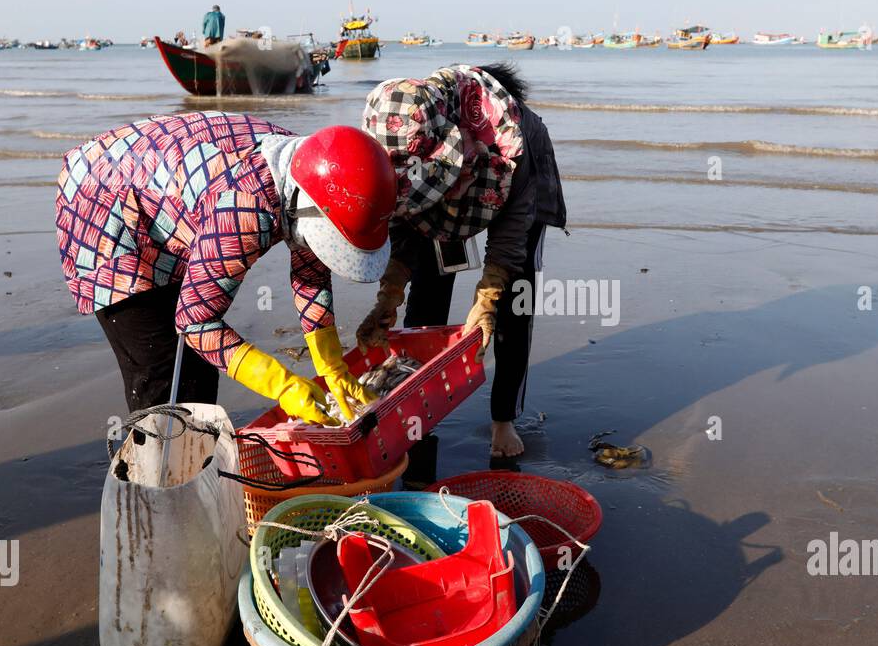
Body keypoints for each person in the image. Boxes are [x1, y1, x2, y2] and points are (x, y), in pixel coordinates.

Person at [56, 112, 397, 424]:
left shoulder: (319, 168)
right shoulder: (246, 208)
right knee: (162, 371)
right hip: (99, 200)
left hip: (166, 189)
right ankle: (152, 479)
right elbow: (194, 321)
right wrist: (282, 384)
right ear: (301, 207)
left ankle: (193, 463)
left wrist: (332, 367)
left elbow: (311, 271)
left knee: (201, 373)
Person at [356, 63, 566, 457]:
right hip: (448, 178)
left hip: (513, 177)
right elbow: (405, 225)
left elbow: (511, 235)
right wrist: (389, 293)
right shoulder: (400, 131)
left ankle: (503, 419)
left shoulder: (514, 143)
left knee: (513, 301)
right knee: (428, 290)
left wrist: (486, 299)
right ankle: (419, 410)